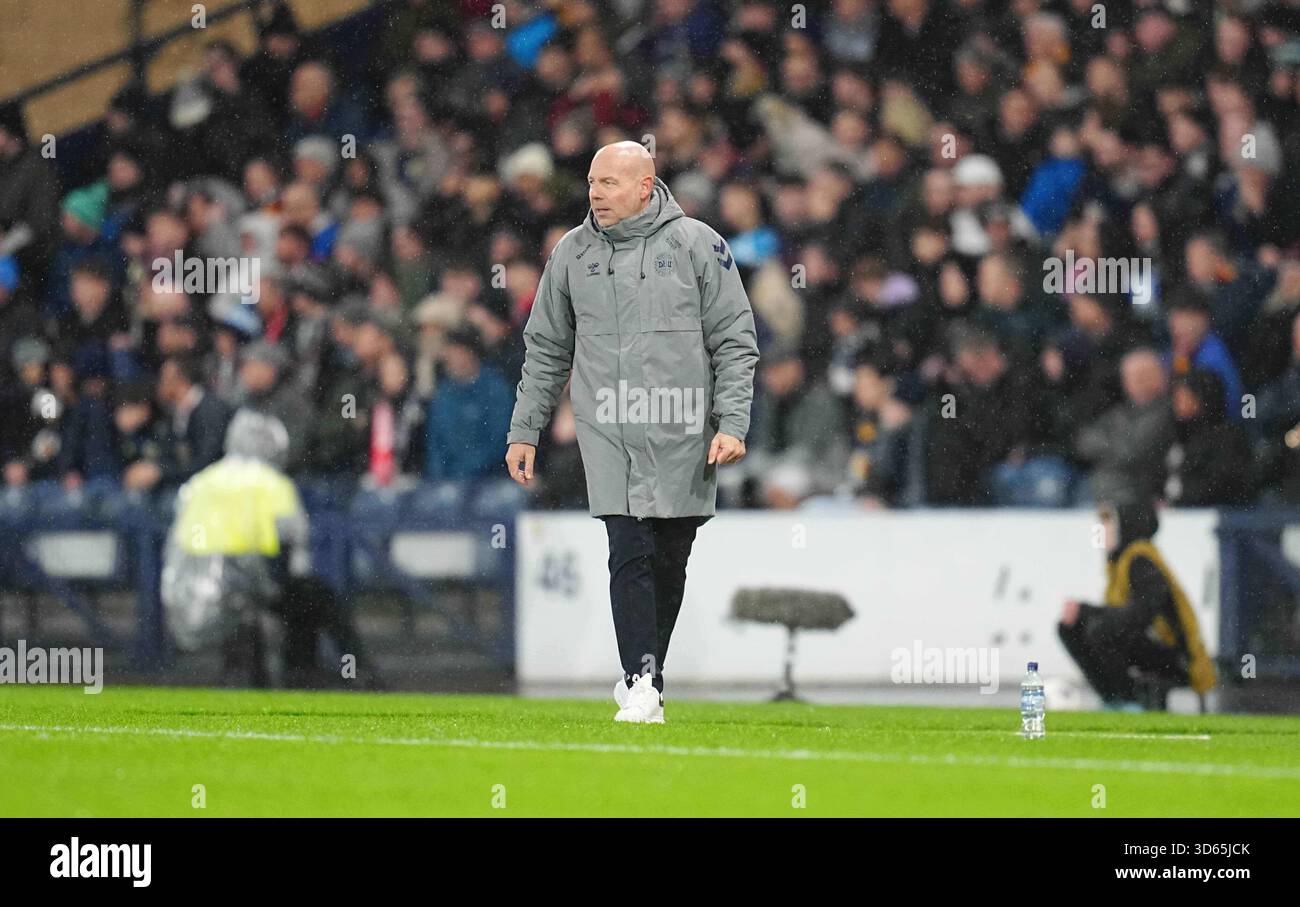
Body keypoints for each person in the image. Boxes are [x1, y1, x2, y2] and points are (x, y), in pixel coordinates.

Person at [504, 141, 759, 723]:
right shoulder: (569, 254)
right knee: (630, 546)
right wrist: (526, 430)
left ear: (646, 187)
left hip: (683, 425)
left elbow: (735, 340)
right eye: (592, 182)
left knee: (671, 555)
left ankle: (648, 678)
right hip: (609, 426)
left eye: (609, 182)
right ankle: (641, 680)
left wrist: (733, 421)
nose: (595, 192)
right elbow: (545, 348)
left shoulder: (698, 244)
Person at [162, 409, 380, 688]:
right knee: (313, 595)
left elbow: (175, 548)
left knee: (285, 597)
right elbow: (296, 544)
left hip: (189, 598)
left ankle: (263, 671)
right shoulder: (273, 484)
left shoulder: (200, 483)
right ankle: (324, 671)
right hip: (245, 592)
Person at [1058, 500, 1216, 711]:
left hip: (1176, 655)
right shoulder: (1121, 559)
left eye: (1107, 525)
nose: (1100, 532)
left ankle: (1127, 700)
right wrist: (1084, 611)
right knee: (1071, 626)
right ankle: (1112, 698)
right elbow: (1124, 613)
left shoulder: (1141, 560)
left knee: (1101, 630)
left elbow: (1143, 614)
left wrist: (1089, 612)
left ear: (1125, 527)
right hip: (1150, 644)